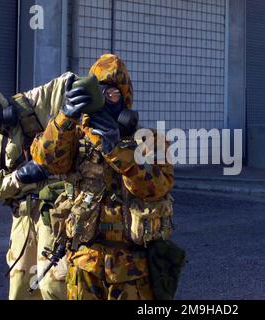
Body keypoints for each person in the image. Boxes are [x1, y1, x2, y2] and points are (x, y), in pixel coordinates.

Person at [30, 53, 182, 300]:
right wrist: (64, 118)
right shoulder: (75, 137)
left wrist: (116, 149)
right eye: (100, 94)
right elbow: (46, 161)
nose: (106, 102)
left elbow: (155, 187)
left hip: (133, 268)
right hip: (85, 264)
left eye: (113, 94)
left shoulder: (149, 140)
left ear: (126, 98)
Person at [0, 72, 96, 300]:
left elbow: (66, 82)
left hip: (56, 210)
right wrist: (19, 177)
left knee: (55, 282)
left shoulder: (31, 104)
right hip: (23, 218)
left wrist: (98, 93)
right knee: (21, 285)